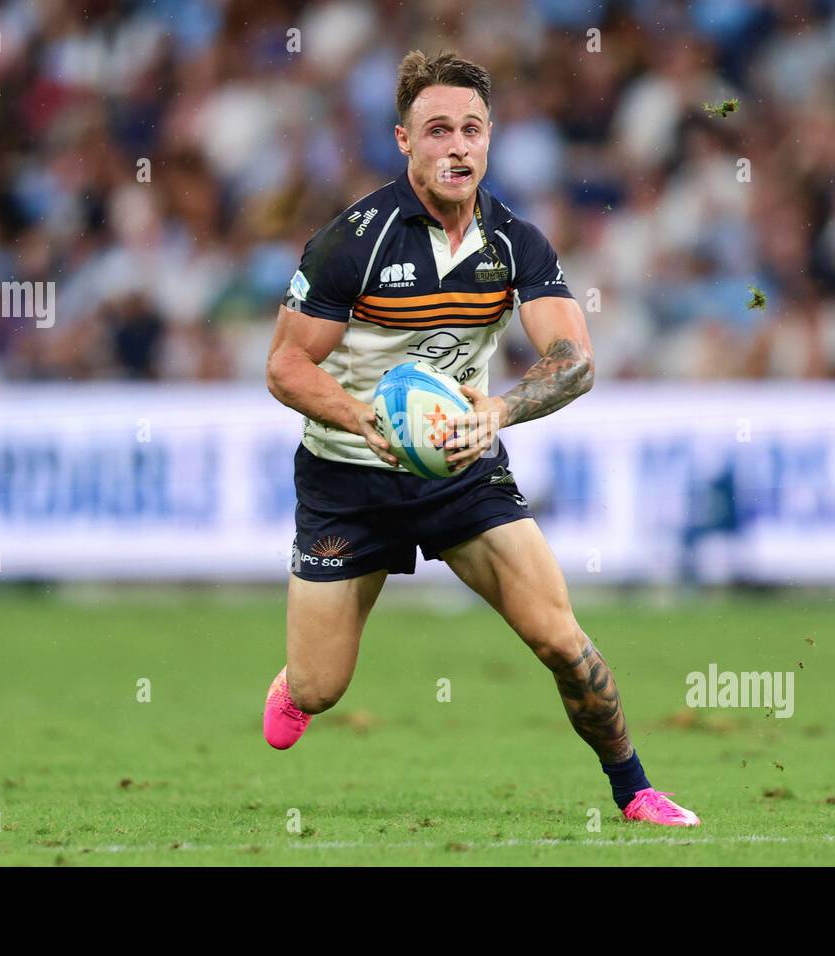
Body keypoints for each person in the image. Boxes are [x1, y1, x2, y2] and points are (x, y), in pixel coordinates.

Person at [260, 50, 699, 826]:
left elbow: (575, 362)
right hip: (346, 481)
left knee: (562, 640)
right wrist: (365, 420)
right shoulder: (351, 241)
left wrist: (496, 412)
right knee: (322, 687)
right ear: (403, 140)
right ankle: (295, 684)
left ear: (490, 138)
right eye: (437, 131)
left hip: (462, 472)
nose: (456, 146)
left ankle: (634, 788)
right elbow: (286, 366)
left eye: (471, 129)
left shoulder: (515, 245)